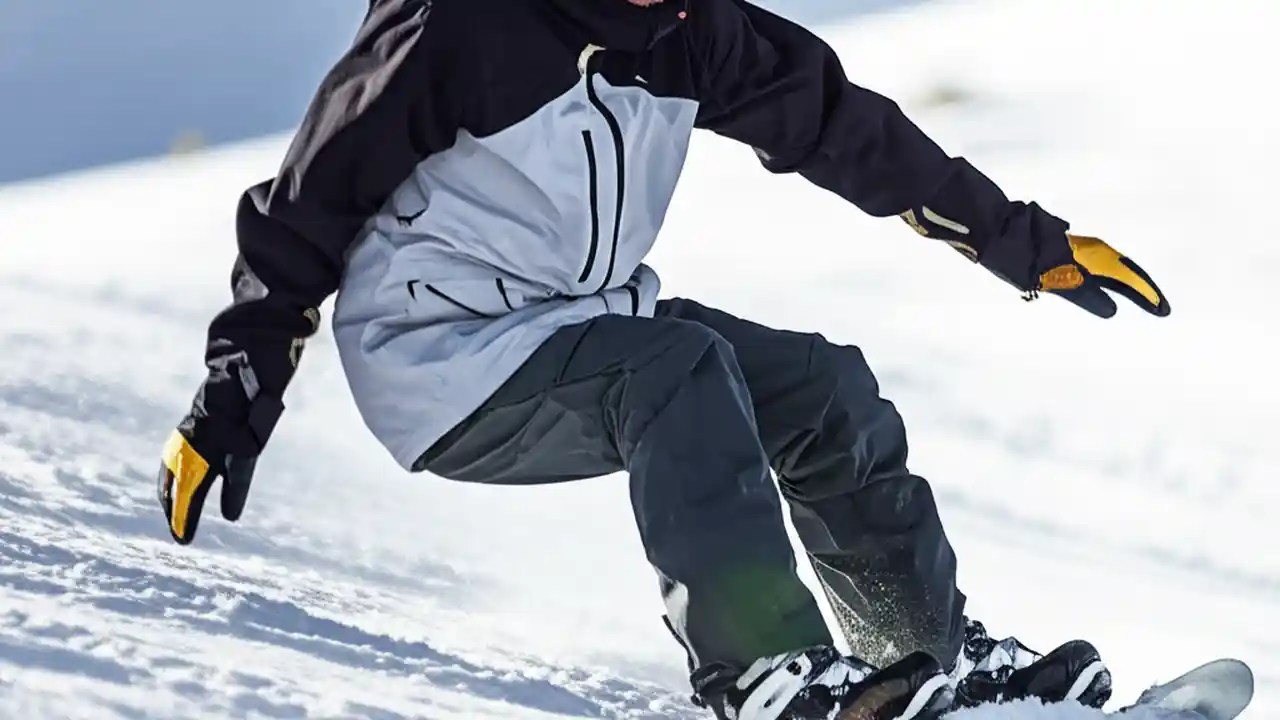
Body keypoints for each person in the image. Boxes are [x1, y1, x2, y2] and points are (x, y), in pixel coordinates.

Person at [155, 1, 1170, 718]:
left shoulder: (693, 33)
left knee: (821, 388)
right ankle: (764, 676)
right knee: (676, 365)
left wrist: (1023, 245)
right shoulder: (460, 23)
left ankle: (923, 660)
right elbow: (304, 210)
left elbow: (844, 131)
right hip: (441, 356)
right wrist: (230, 402)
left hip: (582, 322)